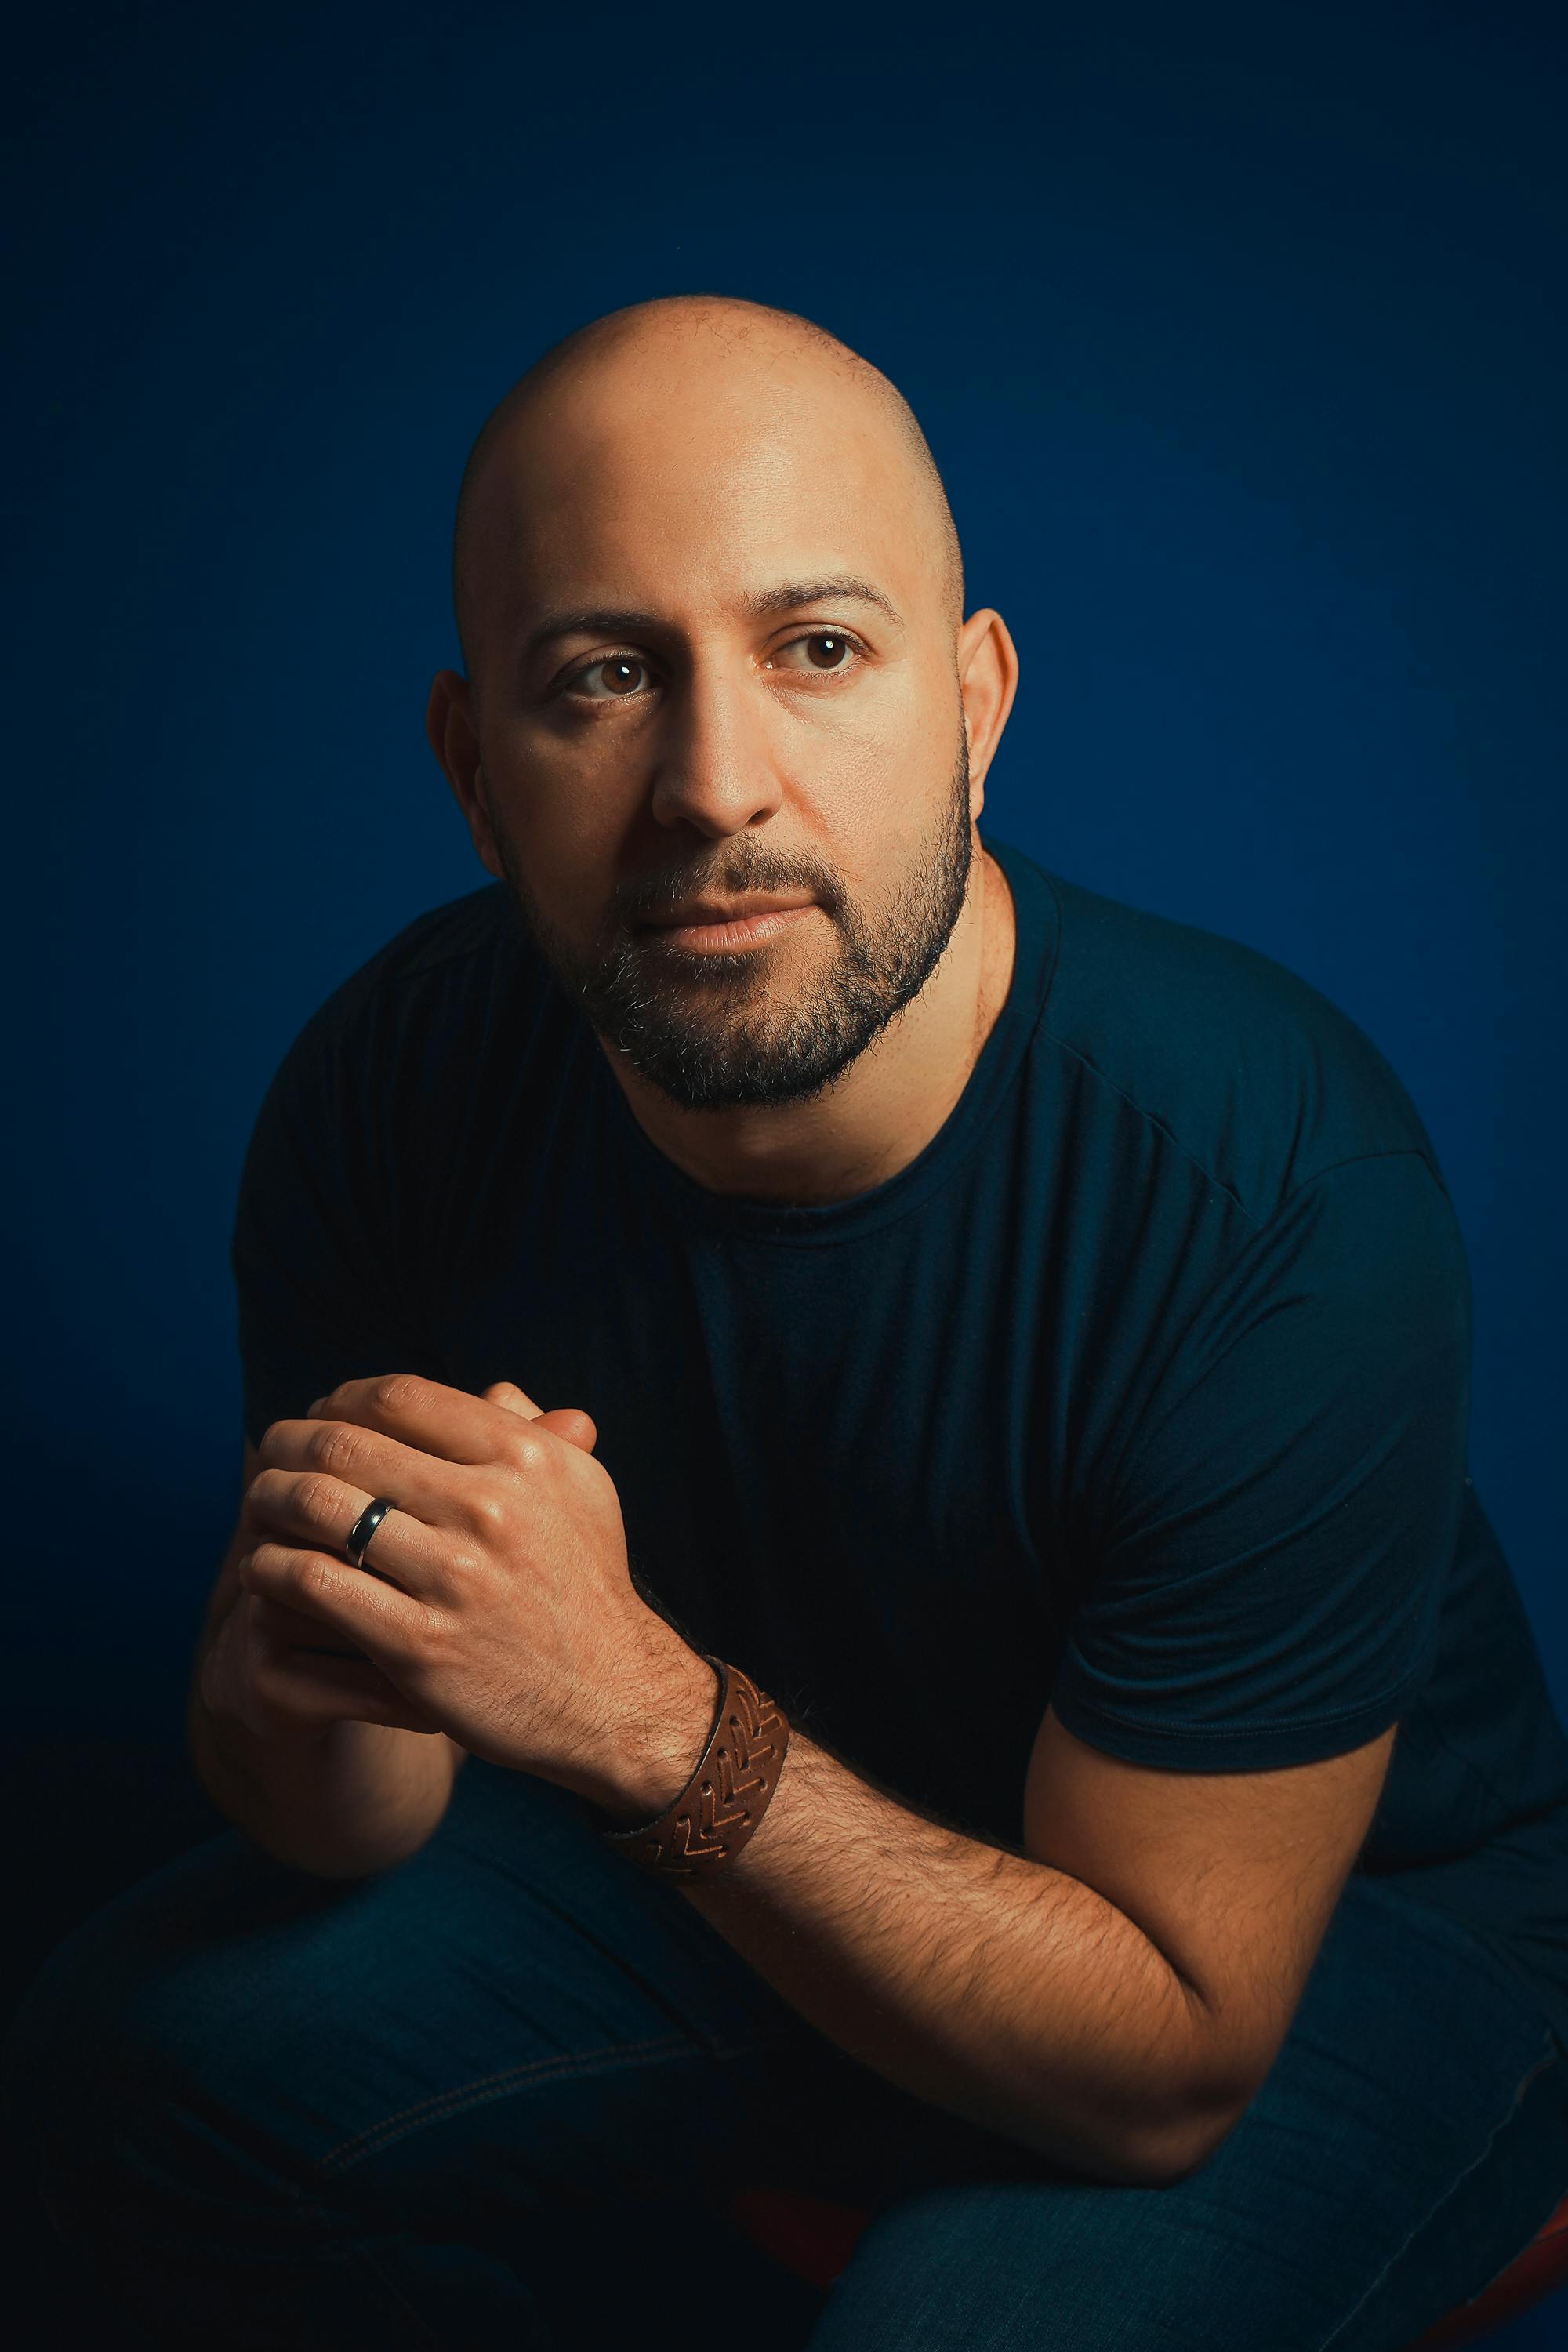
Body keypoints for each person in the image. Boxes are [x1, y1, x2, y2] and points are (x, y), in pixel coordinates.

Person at [4, 292, 1566, 2351]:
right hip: (737, 1871)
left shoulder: (1273, 1196)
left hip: (1317, 1941)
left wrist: (637, 1712)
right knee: (135, 2057)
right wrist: (297, 1711)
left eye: (816, 650)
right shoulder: (396, 1088)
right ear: (475, 773)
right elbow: (350, 1804)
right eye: (604, 677)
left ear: (976, 707)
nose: (713, 786)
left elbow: (1168, 2063)